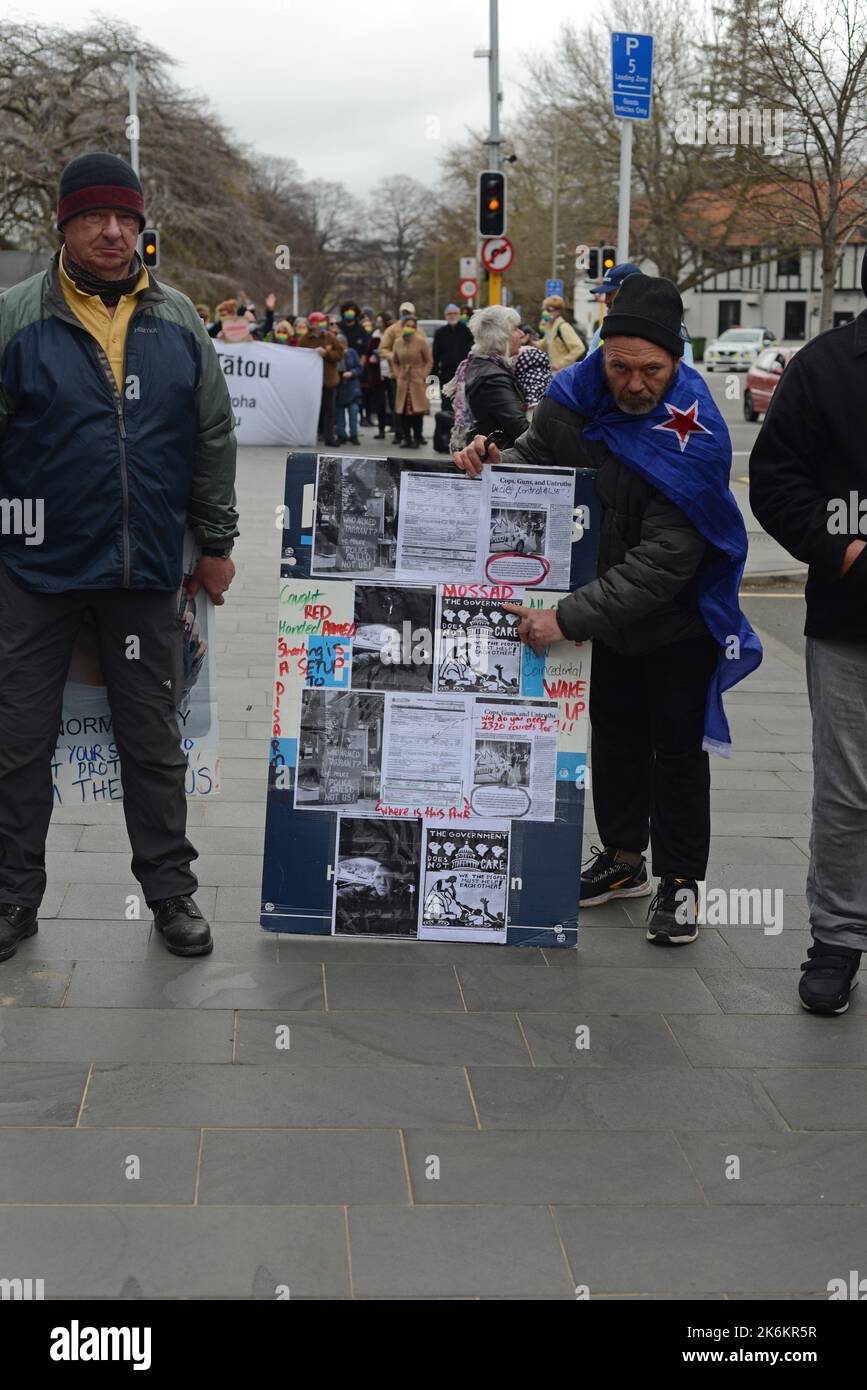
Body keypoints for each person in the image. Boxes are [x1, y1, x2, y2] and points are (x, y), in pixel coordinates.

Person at [453, 273, 761, 945]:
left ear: (674, 360)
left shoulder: (695, 431)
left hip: (678, 617)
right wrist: (493, 459)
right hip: (608, 620)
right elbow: (540, 463)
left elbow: (665, 559)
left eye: (650, 370)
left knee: (675, 752)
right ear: (600, 357)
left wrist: (565, 619)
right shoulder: (572, 399)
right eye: (618, 367)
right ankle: (624, 861)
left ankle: (680, 883)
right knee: (615, 736)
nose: (633, 383)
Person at [0, 151, 238, 963]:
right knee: (18, 740)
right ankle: (11, 897)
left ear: (142, 227)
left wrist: (217, 541)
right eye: (94, 218)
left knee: (152, 739)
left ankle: (171, 895)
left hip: (144, 571)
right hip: (32, 568)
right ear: (62, 226)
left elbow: (211, 434)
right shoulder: (15, 318)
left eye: (125, 219)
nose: (111, 232)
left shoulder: (178, 321)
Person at [749, 256, 867, 1014]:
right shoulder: (823, 367)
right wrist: (843, 549)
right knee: (848, 791)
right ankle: (837, 939)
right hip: (851, 619)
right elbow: (776, 479)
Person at [445, 304, 529, 449]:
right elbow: (520, 428)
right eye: (515, 329)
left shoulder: (478, 364)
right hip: (496, 458)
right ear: (500, 336)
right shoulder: (493, 379)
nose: (521, 333)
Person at [587, 262, 694, 365]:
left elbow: (687, 374)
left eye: (610, 294)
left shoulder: (671, 325)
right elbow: (584, 369)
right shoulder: (604, 329)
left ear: (631, 291)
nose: (606, 300)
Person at [380, 302, 429, 445]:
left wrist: (422, 374)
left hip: (416, 377)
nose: (406, 316)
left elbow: (428, 357)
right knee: (399, 406)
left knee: (417, 407)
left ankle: (418, 436)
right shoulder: (392, 331)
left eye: (408, 313)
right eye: (404, 312)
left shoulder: (419, 331)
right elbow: (383, 349)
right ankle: (401, 435)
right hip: (399, 376)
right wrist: (396, 366)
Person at [299, 310, 343, 446]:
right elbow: (300, 356)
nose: (320, 324)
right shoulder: (305, 339)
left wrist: (327, 353)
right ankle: (309, 436)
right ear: (312, 324)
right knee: (310, 409)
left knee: (329, 410)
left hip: (328, 380)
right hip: (311, 381)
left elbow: (340, 354)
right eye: (318, 322)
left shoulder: (330, 337)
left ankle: (329, 437)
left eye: (322, 321)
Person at [392, 315, 432, 448]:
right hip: (403, 380)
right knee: (403, 411)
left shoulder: (421, 341)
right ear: (403, 327)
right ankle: (406, 438)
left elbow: (429, 361)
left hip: (416, 380)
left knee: (417, 411)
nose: (409, 328)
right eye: (407, 325)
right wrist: (398, 374)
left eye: (412, 326)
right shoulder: (398, 342)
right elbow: (394, 361)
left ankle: (417, 437)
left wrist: (422, 374)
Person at [432, 304, 473, 412]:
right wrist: (434, 375)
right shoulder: (440, 333)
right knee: (446, 406)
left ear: (459, 315)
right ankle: (446, 428)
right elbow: (435, 355)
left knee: (464, 406)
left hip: (465, 375)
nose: (452, 316)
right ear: (445, 316)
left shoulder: (468, 331)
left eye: (455, 313)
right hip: (446, 375)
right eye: (449, 314)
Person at [538, 293, 585, 374]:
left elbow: (579, 348)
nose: (545, 312)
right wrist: (530, 342)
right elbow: (543, 346)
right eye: (544, 309)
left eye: (549, 309)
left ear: (558, 311)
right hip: (554, 374)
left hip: (564, 373)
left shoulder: (563, 326)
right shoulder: (550, 327)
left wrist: (561, 363)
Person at [336, 332, 363, 444]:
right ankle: (341, 435)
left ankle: (354, 435)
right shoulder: (335, 354)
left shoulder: (352, 353)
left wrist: (352, 373)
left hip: (352, 388)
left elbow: (359, 368)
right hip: (339, 387)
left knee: (353, 411)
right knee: (339, 413)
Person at [363, 326, 388, 439]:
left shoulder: (393, 337)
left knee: (394, 403)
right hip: (378, 376)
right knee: (380, 403)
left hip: (392, 374)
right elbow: (368, 354)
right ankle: (381, 428)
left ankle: (399, 431)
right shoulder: (375, 337)